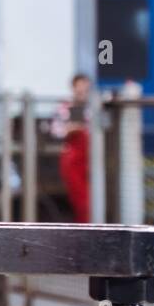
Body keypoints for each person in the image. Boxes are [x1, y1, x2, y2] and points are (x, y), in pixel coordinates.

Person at [53, 73, 92, 223]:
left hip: (90, 160)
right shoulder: (64, 108)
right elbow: (56, 130)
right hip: (73, 160)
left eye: (85, 88)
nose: (82, 91)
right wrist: (71, 129)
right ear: (73, 88)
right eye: (79, 88)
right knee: (82, 202)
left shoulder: (92, 107)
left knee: (91, 201)